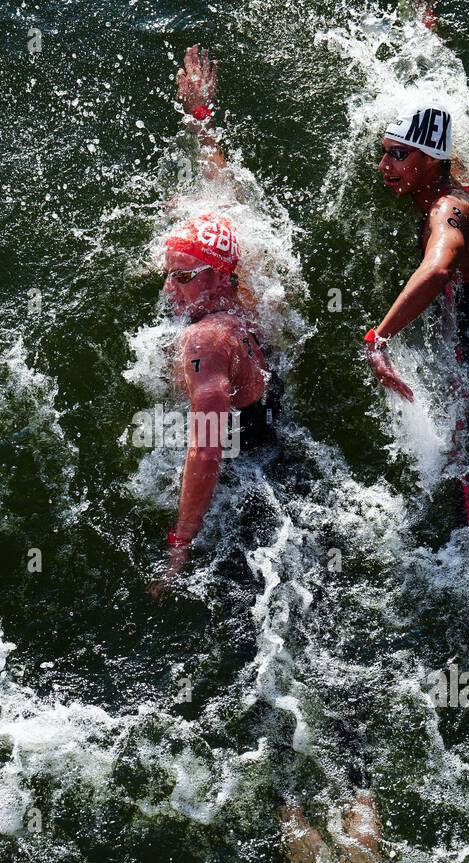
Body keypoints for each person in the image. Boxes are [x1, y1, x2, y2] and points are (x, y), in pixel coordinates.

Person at [160, 46, 281, 580]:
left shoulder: (205, 343)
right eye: (168, 272)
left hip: (245, 480)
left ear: (217, 277)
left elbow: (206, 452)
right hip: (274, 434)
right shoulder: (250, 291)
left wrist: (180, 543)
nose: (170, 288)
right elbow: (226, 193)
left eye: (184, 276)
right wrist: (202, 118)